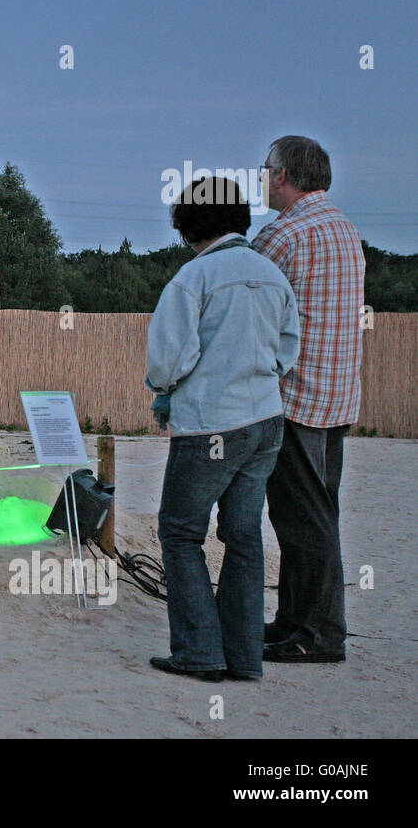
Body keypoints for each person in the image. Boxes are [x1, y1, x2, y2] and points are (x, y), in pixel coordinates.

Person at [146, 176, 300, 682]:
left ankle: (198, 652)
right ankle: (244, 656)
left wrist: (163, 390)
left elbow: (171, 358)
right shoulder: (272, 275)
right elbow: (286, 350)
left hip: (211, 425)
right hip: (265, 420)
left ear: (187, 227)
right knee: (243, 534)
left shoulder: (194, 279)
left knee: (181, 532)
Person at [252, 136, 365, 663]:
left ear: (283, 176)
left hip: (296, 398)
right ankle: (294, 620)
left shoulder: (282, 234)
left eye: (265, 168)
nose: (261, 176)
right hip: (338, 397)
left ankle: (319, 635)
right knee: (320, 513)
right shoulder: (345, 229)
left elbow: (248, 314)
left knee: (302, 521)